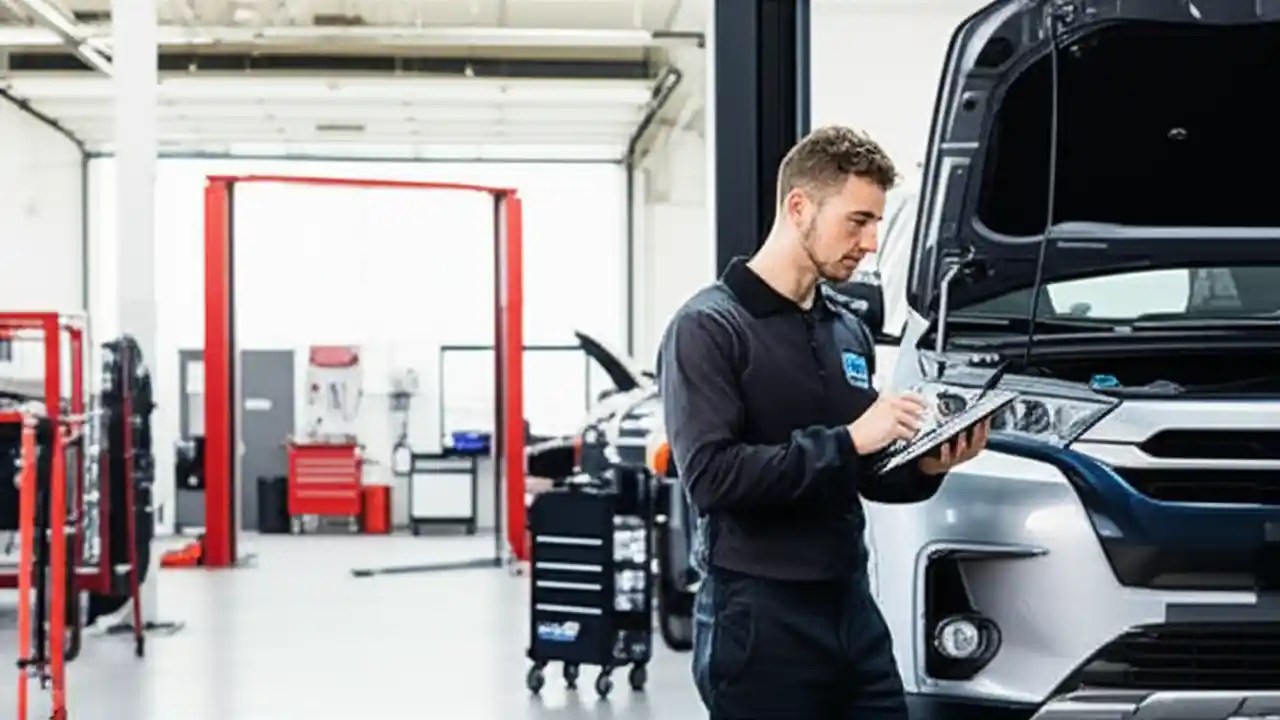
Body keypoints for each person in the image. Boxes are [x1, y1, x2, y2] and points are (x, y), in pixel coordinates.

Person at [657, 125, 991, 719]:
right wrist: (849, 439)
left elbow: (860, 473)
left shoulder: (846, 328)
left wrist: (926, 467)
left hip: (851, 610)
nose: (870, 242)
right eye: (857, 221)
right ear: (799, 207)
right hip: (759, 619)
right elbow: (712, 479)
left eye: (876, 223)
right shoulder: (709, 328)